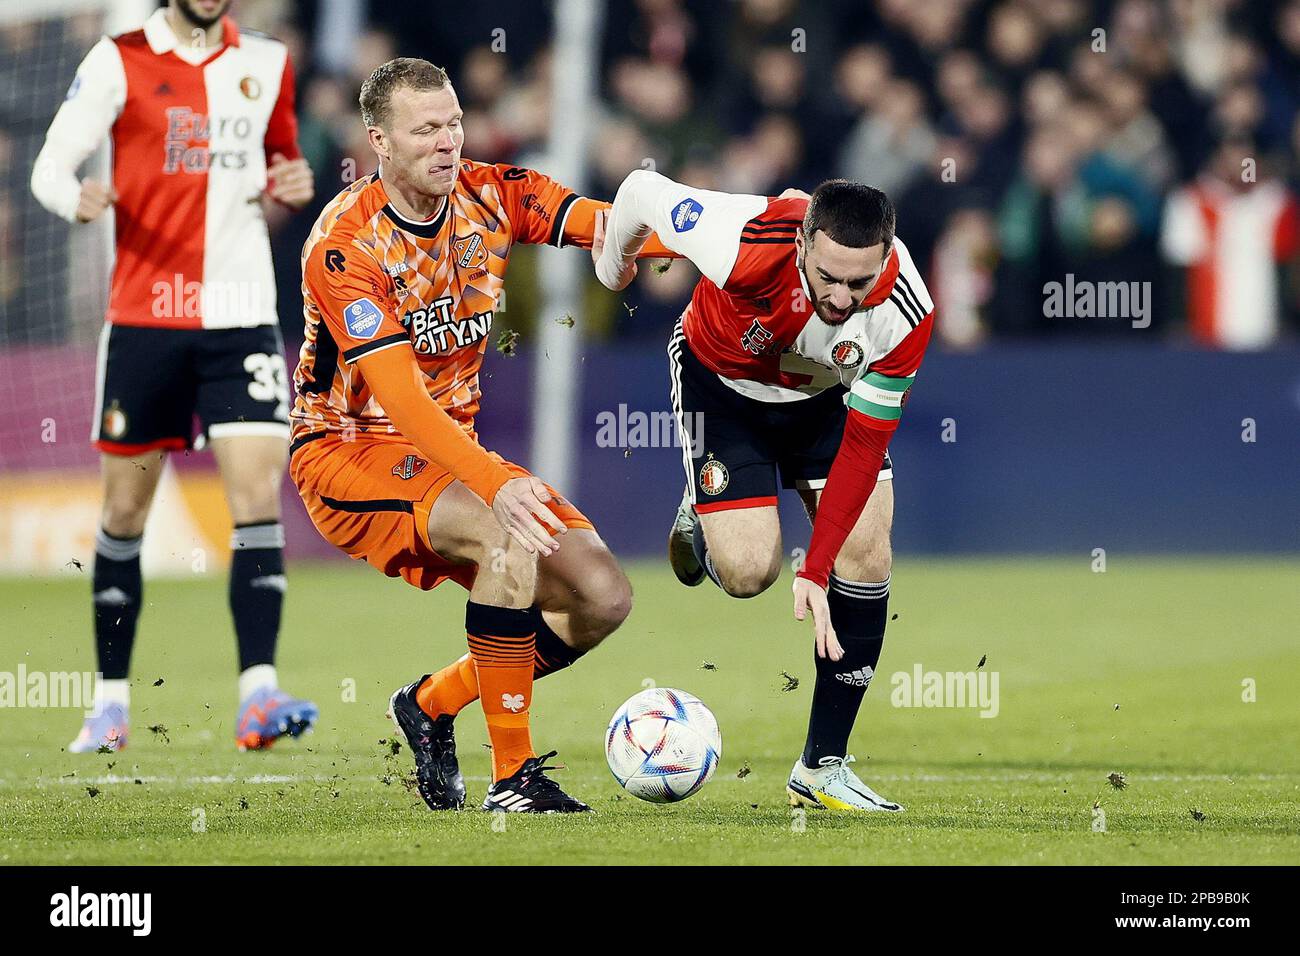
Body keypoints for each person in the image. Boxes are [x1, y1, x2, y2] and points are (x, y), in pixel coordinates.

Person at [291, 58, 675, 813]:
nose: (447, 142)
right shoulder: (346, 247)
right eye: (426, 129)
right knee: (507, 540)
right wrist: (498, 484)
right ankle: (514, 780)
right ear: (379, 141)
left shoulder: (494, 195)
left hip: (448, 457)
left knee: (603, 597)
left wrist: (754, 234)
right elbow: (401, 402)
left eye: (455, 123)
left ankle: (432, 702)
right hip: (347, 451)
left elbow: (614, 227)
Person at [593, 170, 935, 812]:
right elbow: (639, 190)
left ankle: (823, 765)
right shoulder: (740, 236)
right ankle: (701, 506)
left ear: (886, 259)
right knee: (751, 574)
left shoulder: (904, 311)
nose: (840, 297)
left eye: (858, 282)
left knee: (867, 548)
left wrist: (822, 562)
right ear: (803, 242)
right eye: (827, 276)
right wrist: (615, 270)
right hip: (721, 394)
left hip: (823, 406)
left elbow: (865, 447)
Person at [30, 0, 318, 753]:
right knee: (125, 514)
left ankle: (259, 694)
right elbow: (49, 167)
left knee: (256, 497)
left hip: (242, 312)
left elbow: (280, 170)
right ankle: (111, 704)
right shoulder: (117, 58)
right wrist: (75, 198)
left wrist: (290, 186)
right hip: (144, 321)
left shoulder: (267, 63)